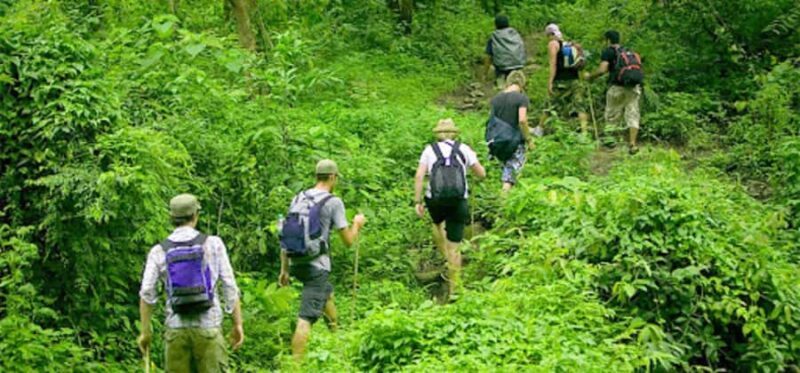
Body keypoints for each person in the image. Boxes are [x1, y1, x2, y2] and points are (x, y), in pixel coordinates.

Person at [138, 193, 244, 373]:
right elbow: (229, 287)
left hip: (176, 331)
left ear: (172, 218)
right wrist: (237, 325)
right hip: (208, 329)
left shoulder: (158, 251)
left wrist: (145, 332)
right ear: (196, 215)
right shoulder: (213, 244)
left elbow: (147, 293)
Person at [278, 159, 366, 361]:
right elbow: (348, 241)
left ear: (316, 176)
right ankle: (296, 366)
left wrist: (284, 270)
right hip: (316, 265)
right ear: (333, 177)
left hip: (295, 261)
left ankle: (338, 341)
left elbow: (286, 234)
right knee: (306, 318)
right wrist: (357, 224)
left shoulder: (298, 197)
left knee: (326, 294)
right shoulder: (333, 202)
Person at [414, 119, 486, 300]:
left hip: (435, 200)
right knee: (455, 246)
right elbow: (481, 174)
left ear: (438, 134)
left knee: (437, 223)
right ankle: (455, 289)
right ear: (454, 133)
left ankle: (445, 257)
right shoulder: (464, 149)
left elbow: (419, 175)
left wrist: (417, 201)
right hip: (458, 200)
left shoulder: (430, 150)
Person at [584, 30, 643, 154]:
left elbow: (602, 70)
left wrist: (590, 76)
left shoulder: (608, 51)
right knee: (633, 113)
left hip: (616, 87)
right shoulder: (627, 50)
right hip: (633, 87)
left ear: (608, 40)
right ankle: (632, 144)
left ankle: (610, 142)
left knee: (612, 114)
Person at [490, 70, 533, 192]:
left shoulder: (496, 99)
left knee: (504, 170)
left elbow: (491, 121)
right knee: (509, 177)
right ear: (522, 84)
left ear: (508, 82)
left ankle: (502, 198)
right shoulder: (521, 98)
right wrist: (529, 139)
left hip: (497, 140)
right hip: (514, 141)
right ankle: (504, 203)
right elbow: (522, 120)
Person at [542, 23, 589, 134]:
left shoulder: (553, 44)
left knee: (550, 104)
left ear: (550, 34)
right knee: (580, 106)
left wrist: (550, 82)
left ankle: (540, 129)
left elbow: (553, 64)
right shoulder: (571, 45)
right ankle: (585, 133)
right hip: (575, 80)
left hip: (561, 81)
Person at [485, 15, 527, 88]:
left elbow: (488, 56)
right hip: (518, 65)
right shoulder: (515, 34)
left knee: (501, 85)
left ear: (496, 25)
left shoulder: (494, 37)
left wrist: (485, 73)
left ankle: (501, 83)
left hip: (502, 68)